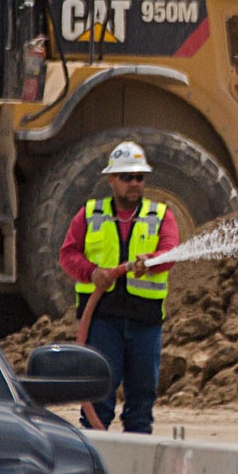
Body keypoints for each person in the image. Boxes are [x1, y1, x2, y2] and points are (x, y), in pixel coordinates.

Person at [58, 141, 179, 434]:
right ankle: (97, 453)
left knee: (142, 398)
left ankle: (137, 454)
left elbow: (170, 251)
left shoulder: (161, 215)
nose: (134, 183)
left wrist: (149, 261)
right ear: (111, 180)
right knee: (98, 394)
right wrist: (93, 272)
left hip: (145, 321)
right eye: (127, 177)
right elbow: (68, 255)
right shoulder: (89, 214)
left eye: (139, 177)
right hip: (102, 320)